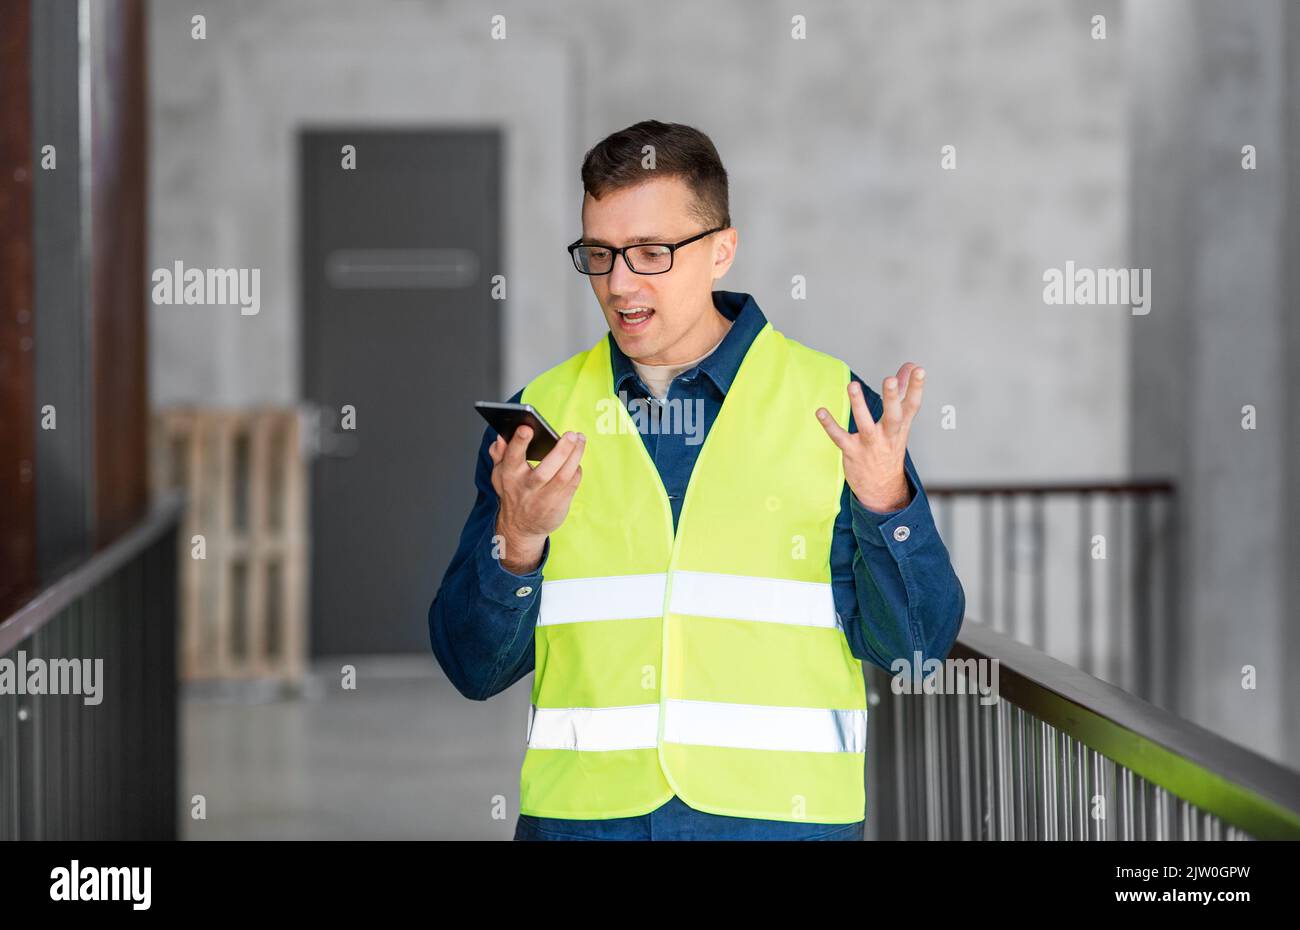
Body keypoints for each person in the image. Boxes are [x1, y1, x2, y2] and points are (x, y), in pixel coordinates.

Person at [429, 120, 965, 841]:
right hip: (584, 823)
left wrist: (885, 503)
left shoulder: (837, 408)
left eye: (651, 253)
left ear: (721, 250)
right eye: (599, 254)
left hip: (782, 824)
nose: (620, 284)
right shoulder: (541, 415)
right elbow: (473, 667)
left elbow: (916, 650)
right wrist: (517, 541)